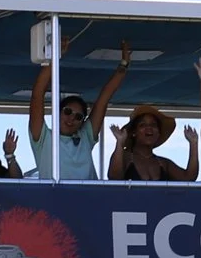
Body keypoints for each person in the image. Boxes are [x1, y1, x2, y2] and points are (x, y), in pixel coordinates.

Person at [29, 39, 131, 180]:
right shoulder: (43, 137)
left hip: (88, 200)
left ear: (82, 122)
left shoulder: (86, 137)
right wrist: (55, 57)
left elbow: (104, 99)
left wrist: (124, 65)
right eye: (68, 111)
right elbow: (37, 93)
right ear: (58, 112)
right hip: (54, 200)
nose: (71, 118)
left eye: (78, 117)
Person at [106, 106, 199, 181]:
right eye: (142, 125)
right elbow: (114, 177)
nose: (149, 128)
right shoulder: (125, 158)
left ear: (158, 133)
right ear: (134, 132)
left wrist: (193, 144)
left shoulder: (164, 163)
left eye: (153, 125)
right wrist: (119, 143)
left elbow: (189, 178)